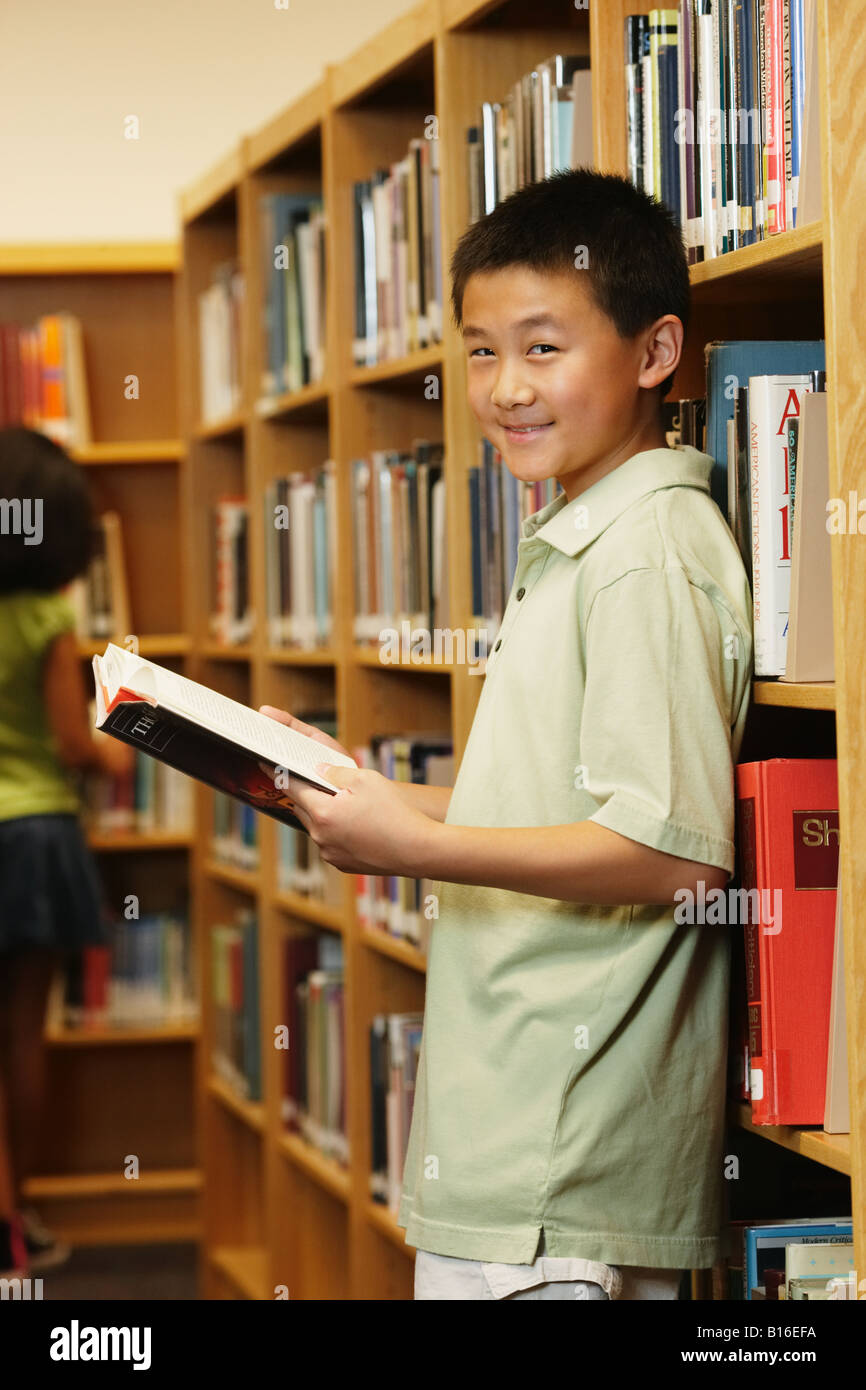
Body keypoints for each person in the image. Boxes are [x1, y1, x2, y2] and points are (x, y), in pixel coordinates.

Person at [260, 168, 753, 1300]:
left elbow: (675, 853)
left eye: (542, 348)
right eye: (479, 350)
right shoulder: (575, 536)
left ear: (653, 350)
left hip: (563, 1169)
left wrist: (415, 846)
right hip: (510, 1146)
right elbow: (552, 804)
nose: (503, 388)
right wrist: (339, 778)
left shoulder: (644, 552)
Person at [0, 427, 134, 1277]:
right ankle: (18, 1218)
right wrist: (118, 749)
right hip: (33, 836)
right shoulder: (47, 617)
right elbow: (74, 742)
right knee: (20, 1036)